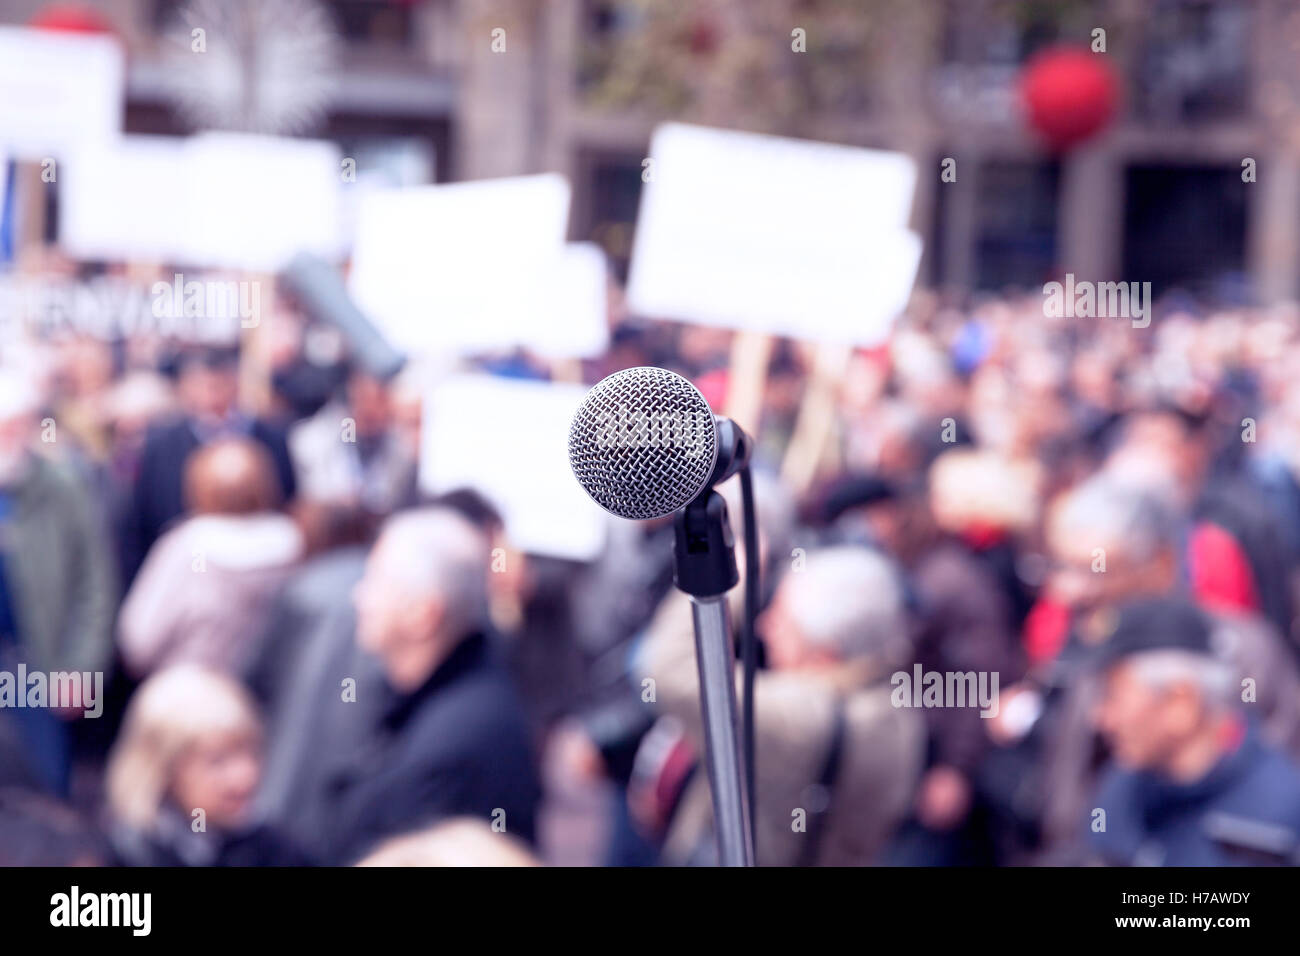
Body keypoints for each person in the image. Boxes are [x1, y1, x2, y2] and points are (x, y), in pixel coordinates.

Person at [641, 546, 924, 866]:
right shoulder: (896, 711)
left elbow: (670, 671)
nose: (763, 626)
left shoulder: (803, 718)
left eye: (781, 620)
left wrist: (725, 579)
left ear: (825, 654)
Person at [324, 507, 540, 864]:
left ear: (422, 614)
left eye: (374, 581)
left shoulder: (451, 753)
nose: (357, 596)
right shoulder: (453, 696)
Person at [1088, 597, 1300, 866]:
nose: (1100, 718)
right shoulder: (1120, 787)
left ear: (1181, 702)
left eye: (1113, 696)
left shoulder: (1283, 812)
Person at [0, 375, 117, 797]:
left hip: (39, 662)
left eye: (13, 427)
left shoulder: (62, 487)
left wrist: (81, 668)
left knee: (44, 784)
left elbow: (95, 585)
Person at [118, 437, 304, 677]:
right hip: (275, 695)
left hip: (195, 696)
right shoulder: (296, 546)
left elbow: (139, 641)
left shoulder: (185, 547)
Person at [120, 347, 296, 584]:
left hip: (255, 574)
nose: (211, 397)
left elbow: (288, 505)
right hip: (181, 580)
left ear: (235, 384)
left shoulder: (272, 439)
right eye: (201, 386)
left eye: (218, 386)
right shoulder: (160, 447)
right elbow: (140, 523)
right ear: (186, 389)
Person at [105, 665, 311, 866]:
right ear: (164, 769)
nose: (244, 776)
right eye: (217, 761)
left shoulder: (279, 852)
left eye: (250, 753)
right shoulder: (123, 854)